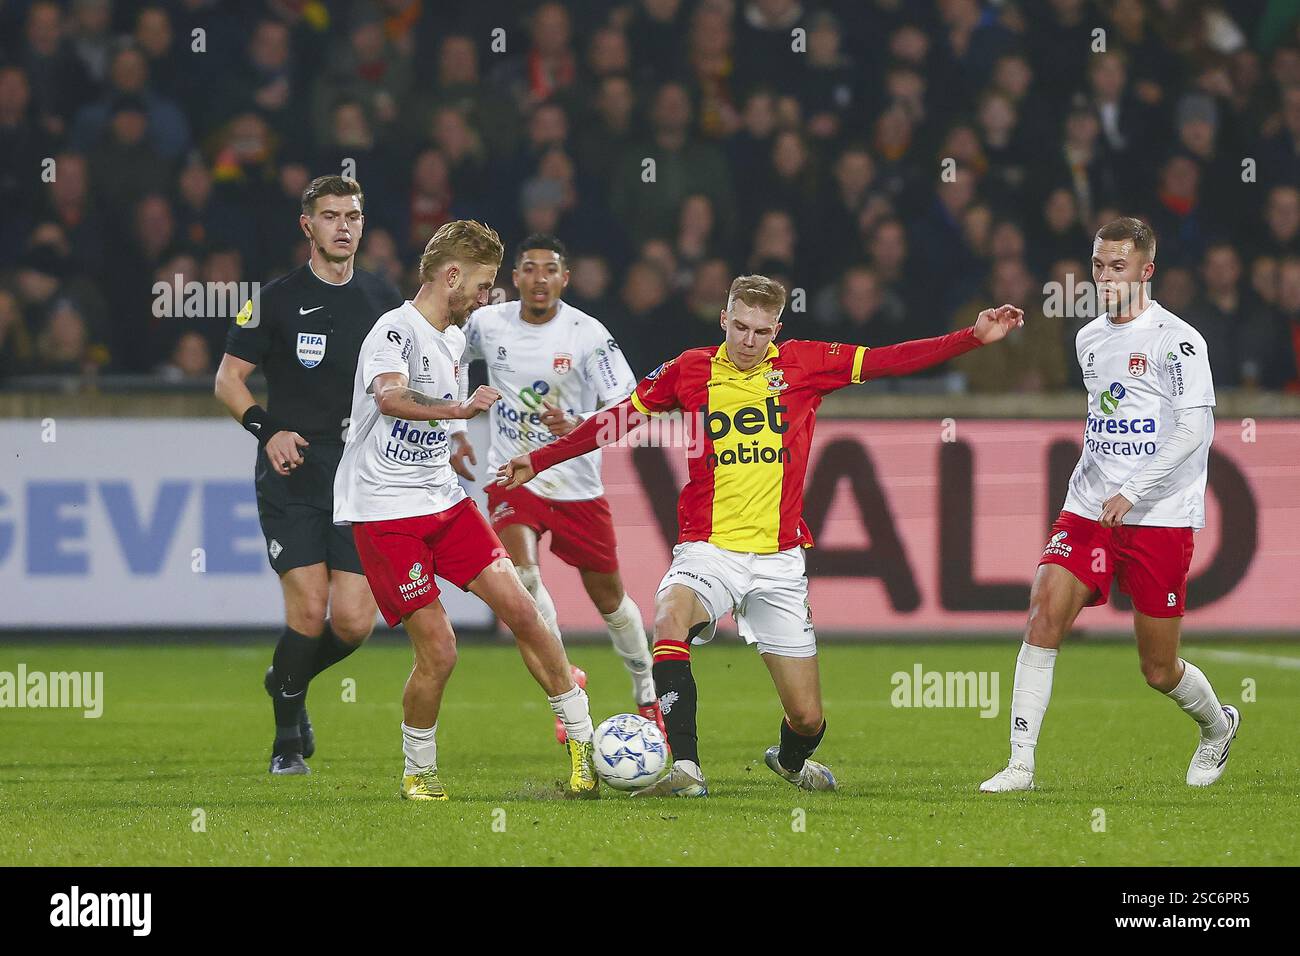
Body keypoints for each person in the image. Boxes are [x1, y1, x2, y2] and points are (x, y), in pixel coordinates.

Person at [498, 274, 1024, 796]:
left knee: (808, 718)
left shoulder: (805, 364)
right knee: (668, 617)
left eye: (762, 332)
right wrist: (539, 459)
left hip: (778, 562)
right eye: (741, 327)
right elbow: (620, 419)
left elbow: (889, 359)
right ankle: (686, 769)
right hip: (709, 549)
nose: (749, 342)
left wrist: (971, 338)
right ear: (724, 319)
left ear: (777, 328)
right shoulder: (689, 370)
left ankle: (791, 760)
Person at [333, 219, 599, 801]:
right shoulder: (392, 331)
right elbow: (390, 396)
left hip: (443, 501)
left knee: (526, 612)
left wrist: (451, 445)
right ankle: (419, 772)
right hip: (386, 513)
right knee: (441, 651)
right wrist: (458, 412)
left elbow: (424, 411)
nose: (485, 298)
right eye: (480, 286)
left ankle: (584, 745)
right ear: (450, 276)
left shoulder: (454, 338)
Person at [979, 217, 1239, 793]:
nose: (1103, 277)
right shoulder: (1089, 338)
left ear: (1146, 271)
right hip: (1091, 506)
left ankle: (1218, 727)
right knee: (1044, 614)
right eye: (1097, 265)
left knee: (1158, 669)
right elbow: (1108, 418)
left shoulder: (1179, 340)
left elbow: (1195, 431)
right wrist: (1105, 489)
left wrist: (1135, 490)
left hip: (1159, 515)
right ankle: (1020, 764)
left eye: (1116, 266)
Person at [215, 175, 401, 775]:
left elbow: (408, 380)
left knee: (352, 622)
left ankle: (286, 678)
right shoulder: (274, 299)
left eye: (353, 215)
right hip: (293, 469)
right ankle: (287, 739)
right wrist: (267, 430)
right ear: (308, 226)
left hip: (360, 472)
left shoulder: (384, 301)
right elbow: (227, 380)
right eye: (330, 216)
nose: (344, 226)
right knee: (307, 608)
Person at [446, 233, 663, 744]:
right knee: (520, 576)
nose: (539, 279)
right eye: (529, 269)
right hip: (513, 475)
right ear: (514, 278)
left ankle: (647, 691)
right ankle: (567, 680)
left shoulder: (587, 335)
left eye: (550, 270)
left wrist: (578, 423)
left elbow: (628, 406)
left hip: (577, 484)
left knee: (609, 600)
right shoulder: (487, 323)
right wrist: (456, 427)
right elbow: (450, 353)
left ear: (565, 279)